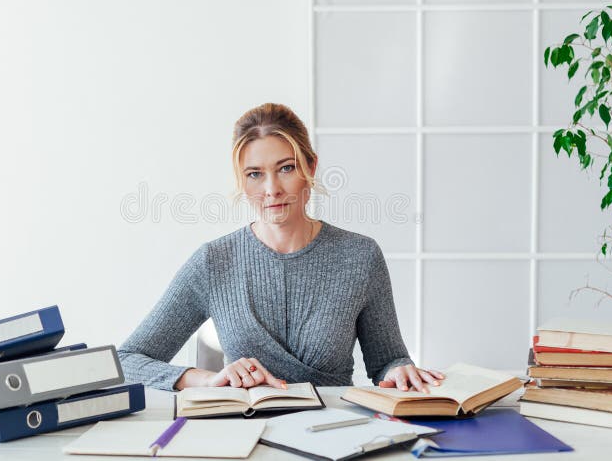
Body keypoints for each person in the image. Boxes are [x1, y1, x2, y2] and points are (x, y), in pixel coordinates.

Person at [117, 103, 443, 392]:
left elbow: (389, 360)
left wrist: (399, 370)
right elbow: (128, 360)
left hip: (335, 433)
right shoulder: (212, 262)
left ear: (310, 168)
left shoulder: (360, 256)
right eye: (255, 174)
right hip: (247, 433)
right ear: (242, 182)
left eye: (286, 168)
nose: (271, 189)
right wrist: (205, 379)